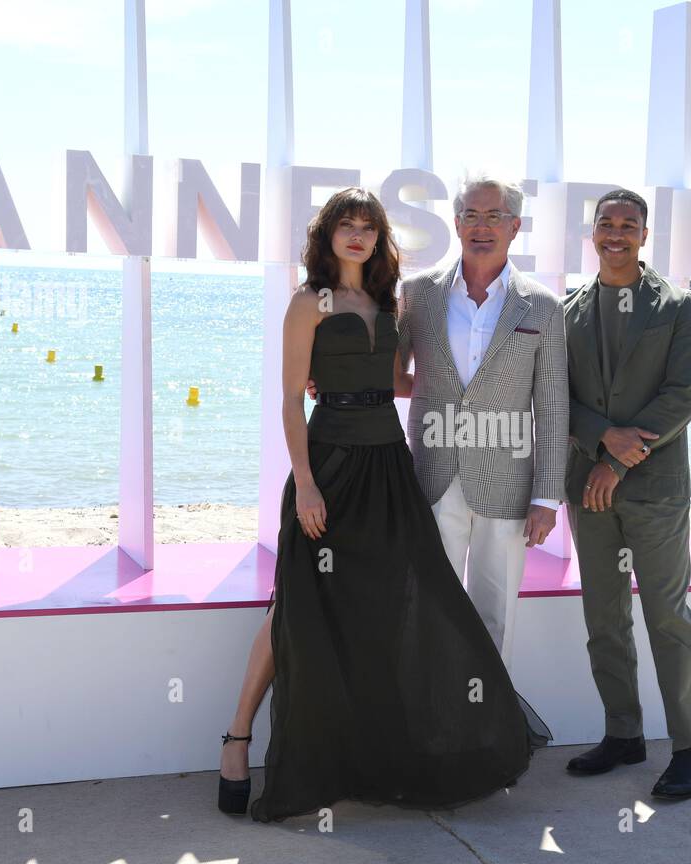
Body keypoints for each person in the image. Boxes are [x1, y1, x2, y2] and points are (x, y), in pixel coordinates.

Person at [218, 187, 550, 823]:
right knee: (296, 605)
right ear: (328, 235)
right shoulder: (307, 301)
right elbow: (292, 400)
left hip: (389, 466)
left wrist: (478, 388)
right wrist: (307, 484)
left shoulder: (386, 302)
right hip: (330, 468)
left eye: (367, 226)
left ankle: (378, 747)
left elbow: (399, 381)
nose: (357, 235)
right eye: (346, 224)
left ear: (378, 239)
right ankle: (237, 740)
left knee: (389, 600)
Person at [561, 188, 691, 800]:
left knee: (668, 617)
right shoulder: (567, 311)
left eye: (628, 224)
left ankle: (689, 750)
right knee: (604, 617)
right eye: (606, 223)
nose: (615, 233)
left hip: (654, 491)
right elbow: (554, 397)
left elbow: (683, 397)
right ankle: (623, 734)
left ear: (644, 235)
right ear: (592, 233)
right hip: (586, 488)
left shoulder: (679, 307)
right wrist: (601, 442)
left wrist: (618, 463)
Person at [395, 176, 569, 667]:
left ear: (515, 227)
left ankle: (488, 730)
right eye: (471, 215)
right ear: (455, 224)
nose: (482, 226)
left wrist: (545, 497)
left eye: (494, 216)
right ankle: (433, 726)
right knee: (431, 608)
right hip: (433, 477)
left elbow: (553, 406)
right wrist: (331, 379)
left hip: (509, 487)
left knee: (495, 615)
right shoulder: (418, 294)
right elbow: (390, 373)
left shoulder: (543, 307)